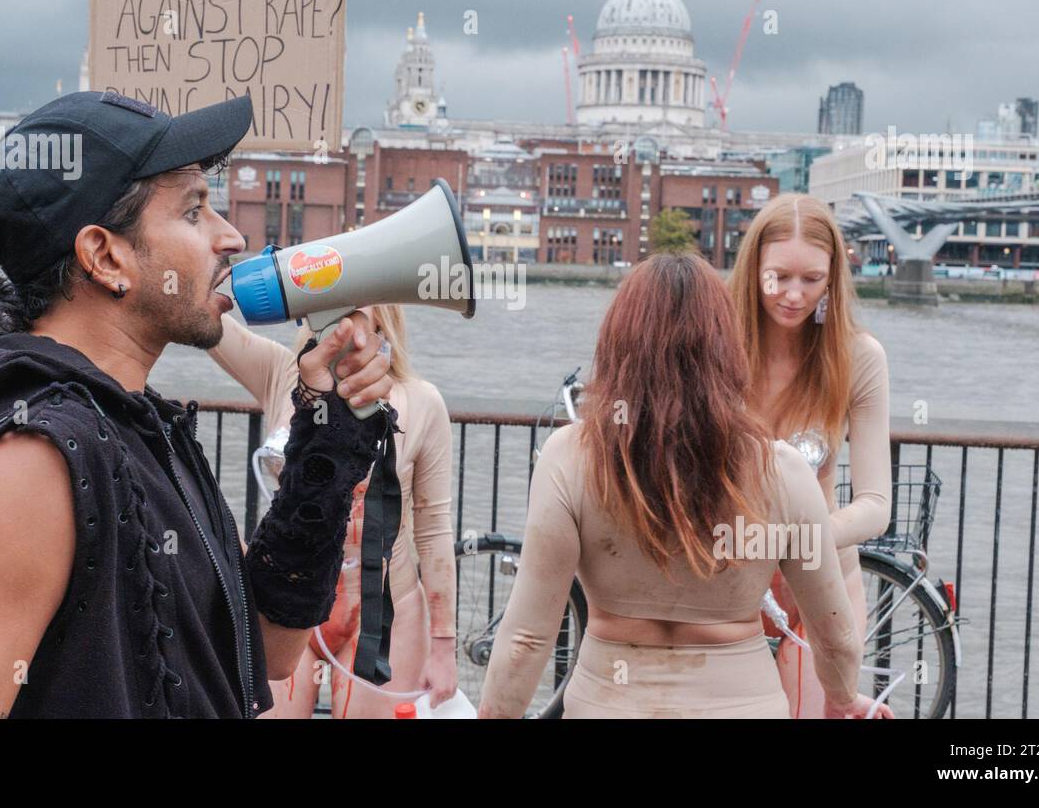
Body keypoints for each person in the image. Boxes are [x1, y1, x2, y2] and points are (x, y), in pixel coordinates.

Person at [0, 91, 396, 718]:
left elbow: (266, 652)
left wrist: (325, 427)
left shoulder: (139, 424)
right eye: (195, 211)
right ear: (105, 256)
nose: (230, 238)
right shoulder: (22, 467)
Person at [478, 253, 888, 719]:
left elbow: (526, 639)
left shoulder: (569, 457)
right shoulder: (783, 471)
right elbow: (834, 634)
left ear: (617, 343)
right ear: (726, 346)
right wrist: (841, 696)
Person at [208, 304, 457, 717]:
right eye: (331, 297)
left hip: (383, 613)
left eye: (357, 301)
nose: (342, 315)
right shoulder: (283, 372)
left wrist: (444, 645)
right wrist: (271, 275)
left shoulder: (421, 401)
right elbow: (207, 317)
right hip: (280, 599)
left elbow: (433, 530)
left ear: (384, 315)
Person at [729, 193, 893, 719]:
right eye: (778, 277)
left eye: (812, 279)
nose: (794, 295)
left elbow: (874, 504)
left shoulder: (858, 357)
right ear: (753, 267)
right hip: (723, 584)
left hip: (820, 583)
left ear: (833, 280)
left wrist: (796, 539)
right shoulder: (717, 345)